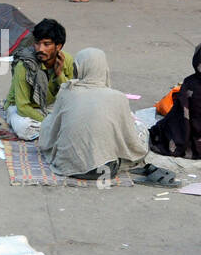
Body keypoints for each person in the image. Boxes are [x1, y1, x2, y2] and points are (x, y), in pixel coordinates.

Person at [39, 48, 148, 178]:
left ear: (79, 69)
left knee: (48, 122)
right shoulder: (118, 98)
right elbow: (128, 138)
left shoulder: (66, 92)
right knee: (140, 129)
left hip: (67, 166)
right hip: (106, 169)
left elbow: (53, 129)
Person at [6, 18, 75, 140]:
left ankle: (50, 129)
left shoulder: (67, 60)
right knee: (23, 127)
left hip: (49, 105)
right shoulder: (24, 65)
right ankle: (54, 129)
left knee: (78, 113)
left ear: (58, 46)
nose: (40, 49)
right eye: (37, 43)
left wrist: (59, 75)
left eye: (46, 44)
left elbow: (71, 96)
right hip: (23, 109)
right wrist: (49, 122)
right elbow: (22, 107)